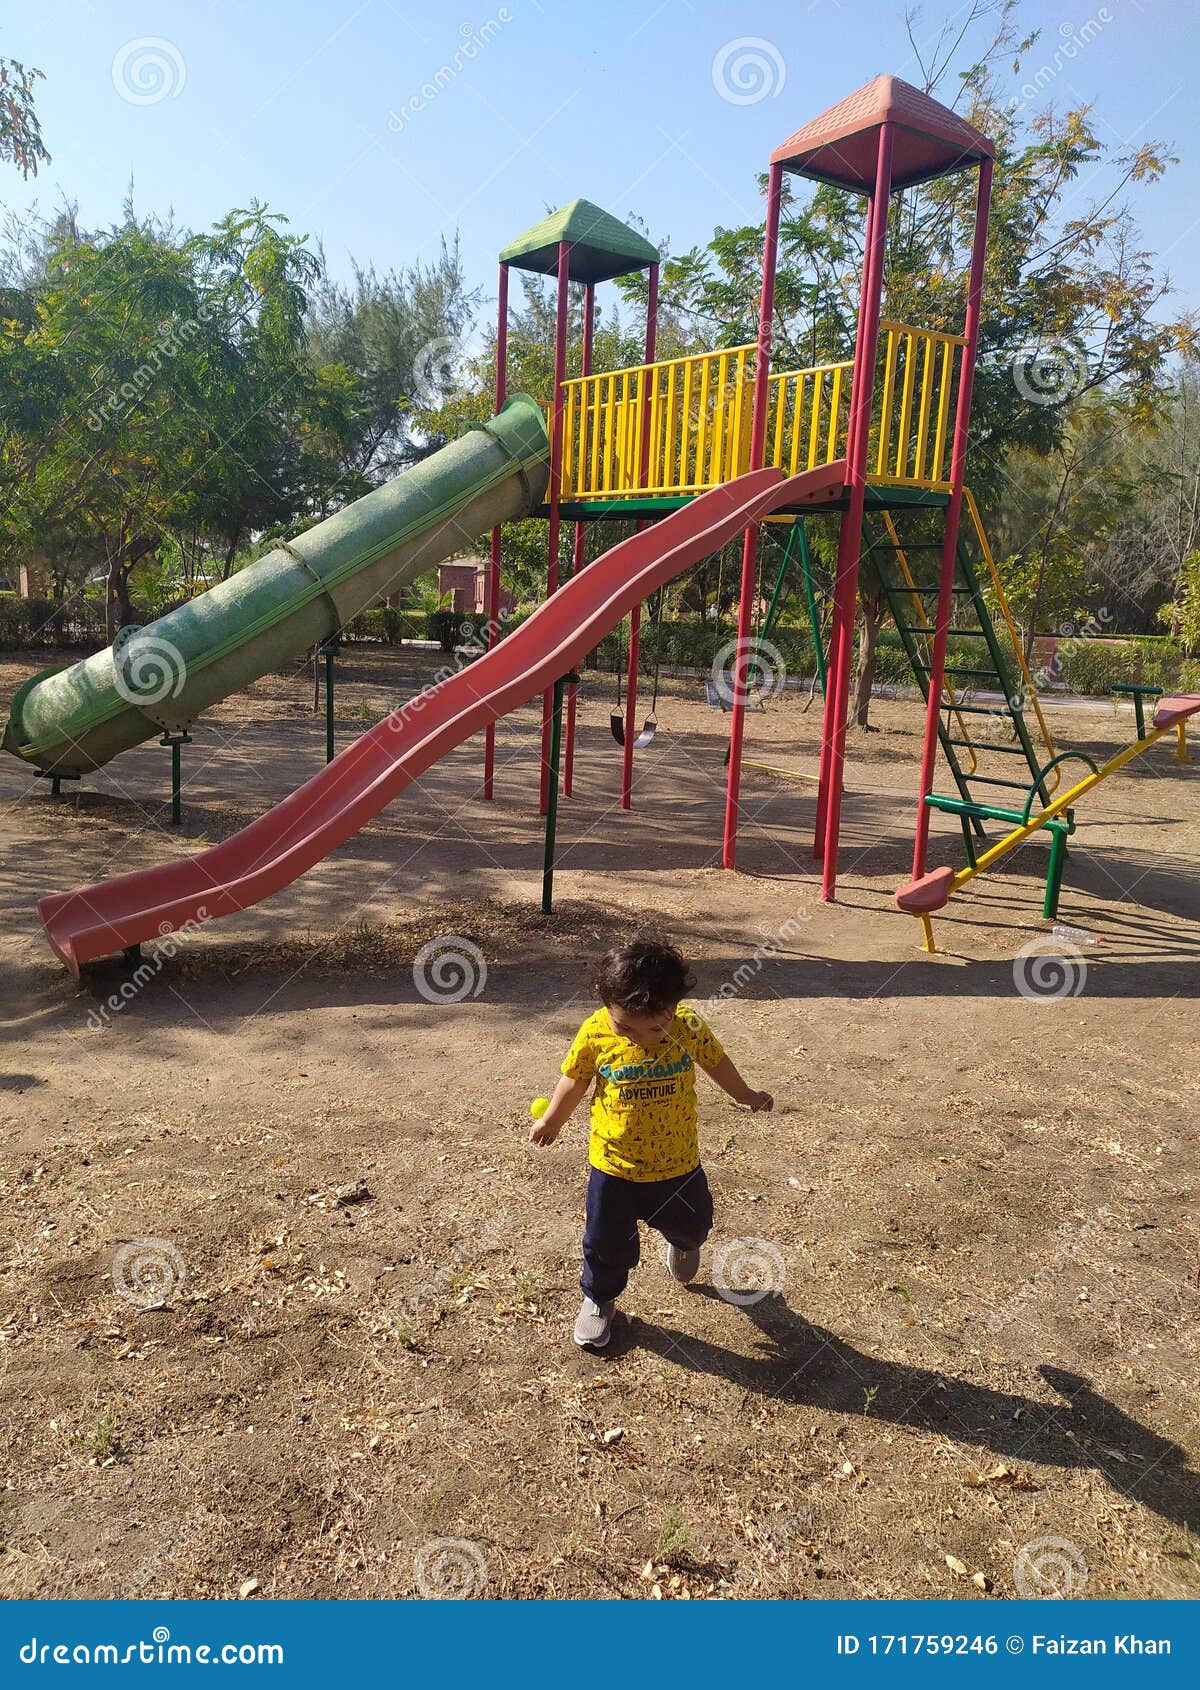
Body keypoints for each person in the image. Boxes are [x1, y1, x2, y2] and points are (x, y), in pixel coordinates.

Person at [530, 933, 773, 1348]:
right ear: (605, 1002)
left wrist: (745, 1095)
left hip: (677, 1164)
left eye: (655, 1028)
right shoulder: (594, 1033)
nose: (640, 1037)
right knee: (605, 1244)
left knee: (695, 1226)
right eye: (625, 1026)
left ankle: (682, 1244)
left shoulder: (689, 1026)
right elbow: (575, 1079)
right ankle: (599, 1300)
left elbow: (716, 1061)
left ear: (675, 1008)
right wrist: (553, 1119)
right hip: (614, 1166)